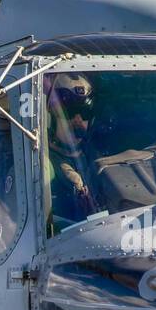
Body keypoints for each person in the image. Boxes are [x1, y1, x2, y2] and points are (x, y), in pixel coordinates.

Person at [44, 73, 102, 228]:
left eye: (85, 112)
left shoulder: (98, 159)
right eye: (69, 112)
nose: (78, 120)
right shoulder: (42, 169)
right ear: (50, 118)